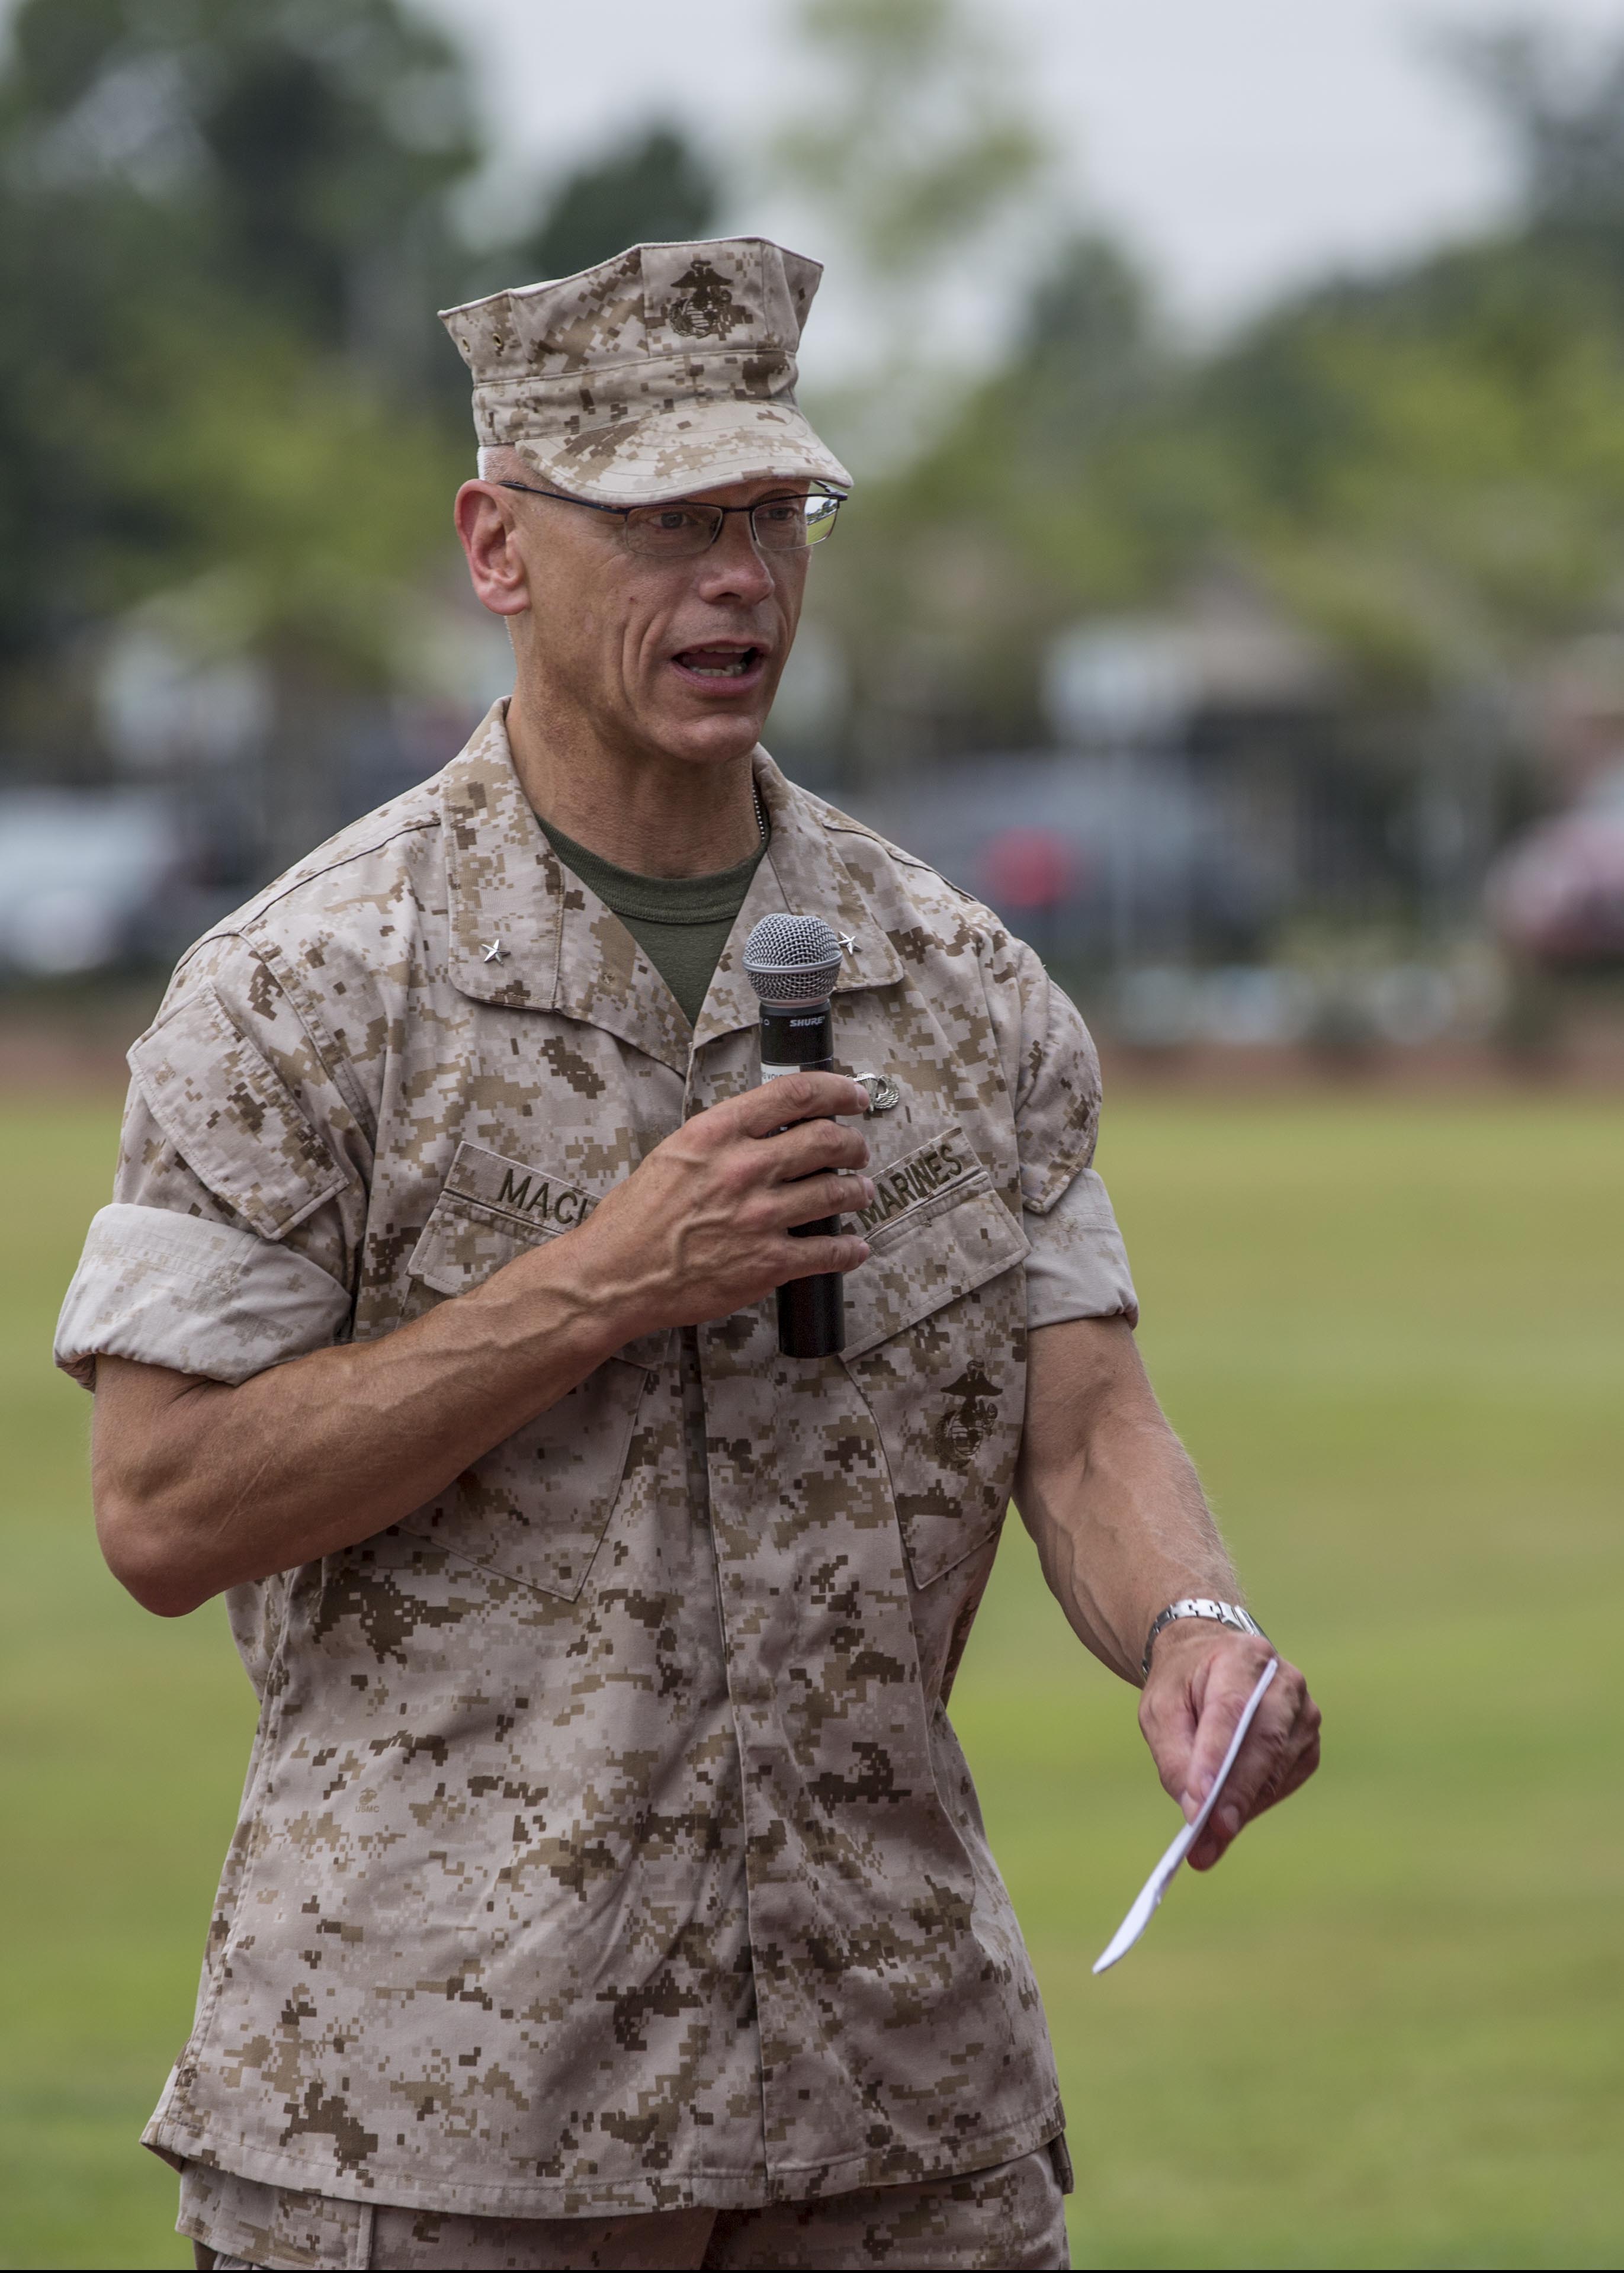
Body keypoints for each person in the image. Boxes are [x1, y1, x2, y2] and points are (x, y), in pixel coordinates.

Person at [56, 237, 1320, 2273]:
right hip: (443, 2133)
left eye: (774, 515)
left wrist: (1194, 1628)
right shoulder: (301, 992)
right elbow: (163, 1508)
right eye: (665, 522)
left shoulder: (959, 984)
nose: (739, 580)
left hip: (899, 2115)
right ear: (498, 547)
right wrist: (603, 1283)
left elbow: (1084, 1420)